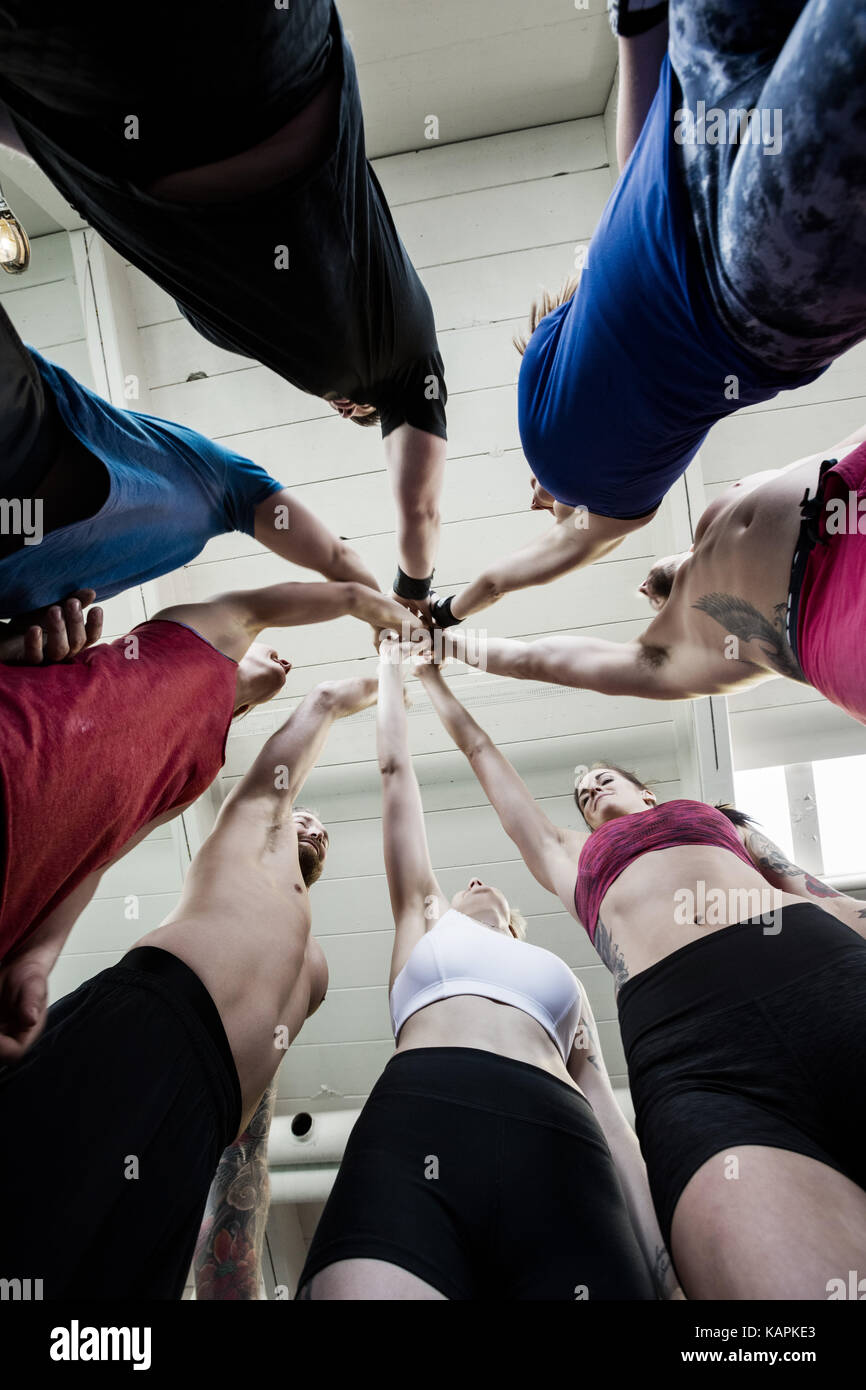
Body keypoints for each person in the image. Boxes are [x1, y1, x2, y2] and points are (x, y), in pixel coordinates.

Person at [417, 660, 866, 1298]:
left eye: (604, 778)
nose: (589, 786)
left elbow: (804, 883)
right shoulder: (565, 853)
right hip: (694, 1050)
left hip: (819, 971)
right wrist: (432, 676)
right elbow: (481, 751)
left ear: (647, 793)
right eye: (580, 793)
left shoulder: (718, 819)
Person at [428, 0, 866, 629]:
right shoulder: (610, 506)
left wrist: (638, 29)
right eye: (540, 505)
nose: (533, 502)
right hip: (749, 288)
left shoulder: (555, 362)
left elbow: (630, 183)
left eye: (529, 492)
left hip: (688, 111)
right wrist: (440, 612)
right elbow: (497, 580)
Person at [0, 2, 447, 613]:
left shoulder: (264, 334)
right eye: (355, 411)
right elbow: (418, 513)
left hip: (89, 138)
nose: (340, 407)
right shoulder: (409, 359)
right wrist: (411, 599)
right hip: (256, 81)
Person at [294, 639, 679, 1301]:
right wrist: (394, 670)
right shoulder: (422, 917)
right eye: (468, 882)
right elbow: (395, 776)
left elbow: (613, 1122)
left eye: (492, 888)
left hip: (563, 1141)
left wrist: (669, 1272)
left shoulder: (558, 977)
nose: (476, 878)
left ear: (514, 919)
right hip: (421, 1115)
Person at [0, 673, 376, 1299]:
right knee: (32, 1202)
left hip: (205, 1122)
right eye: (300, 814)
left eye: (323, 830)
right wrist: (348, 693)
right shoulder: (244, 845)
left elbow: (260, 1096)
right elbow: (304, 731)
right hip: (151, 1021)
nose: (314, 826)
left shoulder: (313, 969)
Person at [0, 578, 419, 1058]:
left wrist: (37, 956)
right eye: (270, 646)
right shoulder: (200, 636)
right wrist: (403, 630)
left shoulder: (203, 765)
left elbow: (99, 857)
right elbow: (335, 597)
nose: (286, 661)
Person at [432, 424, 866, 729]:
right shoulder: (667, 651)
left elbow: (847, 444)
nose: (645, 589)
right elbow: (538, 661)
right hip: (831, 615)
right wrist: (441, 643)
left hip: (848, 482)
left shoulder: (712, 516)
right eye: (650, 599)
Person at [0, 301, 391, 621]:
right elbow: (336, 559)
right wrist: (394, 616)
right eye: (357, 406)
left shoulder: (187, 539)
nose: (345, 409)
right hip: (28, 430)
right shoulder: (227, 479)